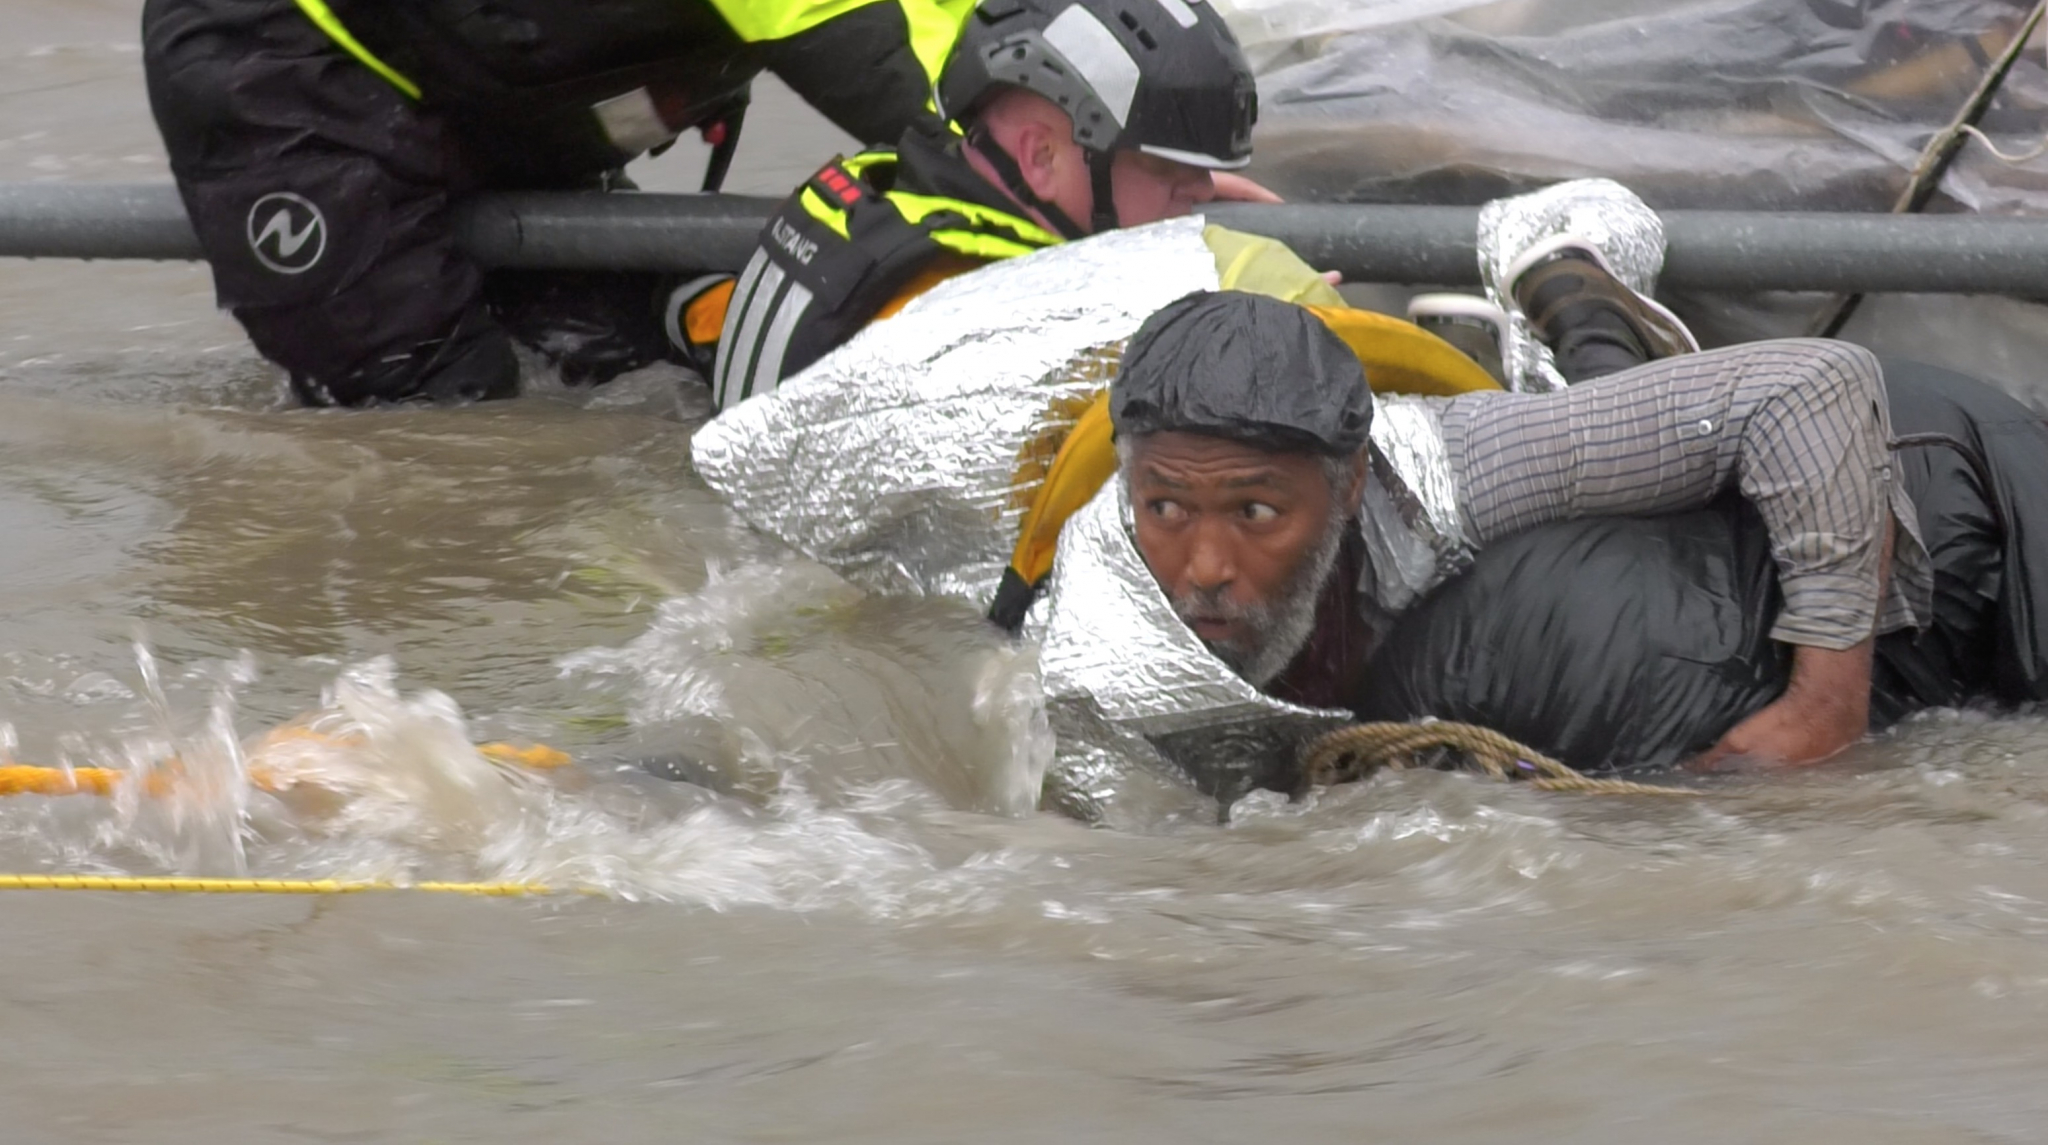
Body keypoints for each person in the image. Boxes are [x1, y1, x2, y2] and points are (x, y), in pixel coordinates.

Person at [1106, 290, 1930, 769]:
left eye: (1254, 512)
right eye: (1167, 508)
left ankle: (1587, 305)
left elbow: (1815, 383)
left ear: (1350, 482)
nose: (1203, 567)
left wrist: (1824, 705)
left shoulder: (1455, 470)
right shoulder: (1101, 584)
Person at [141, 0, 973, 406]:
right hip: (290, 67)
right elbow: (980, 128)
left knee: (644, 377)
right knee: (443, 446)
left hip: (495, 74)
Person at [698, 0, 1326, 412]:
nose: (1202, 194)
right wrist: (1276, 354)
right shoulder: (966, 307)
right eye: (1166, 169)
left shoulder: (879, 194)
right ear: (1041, 159)